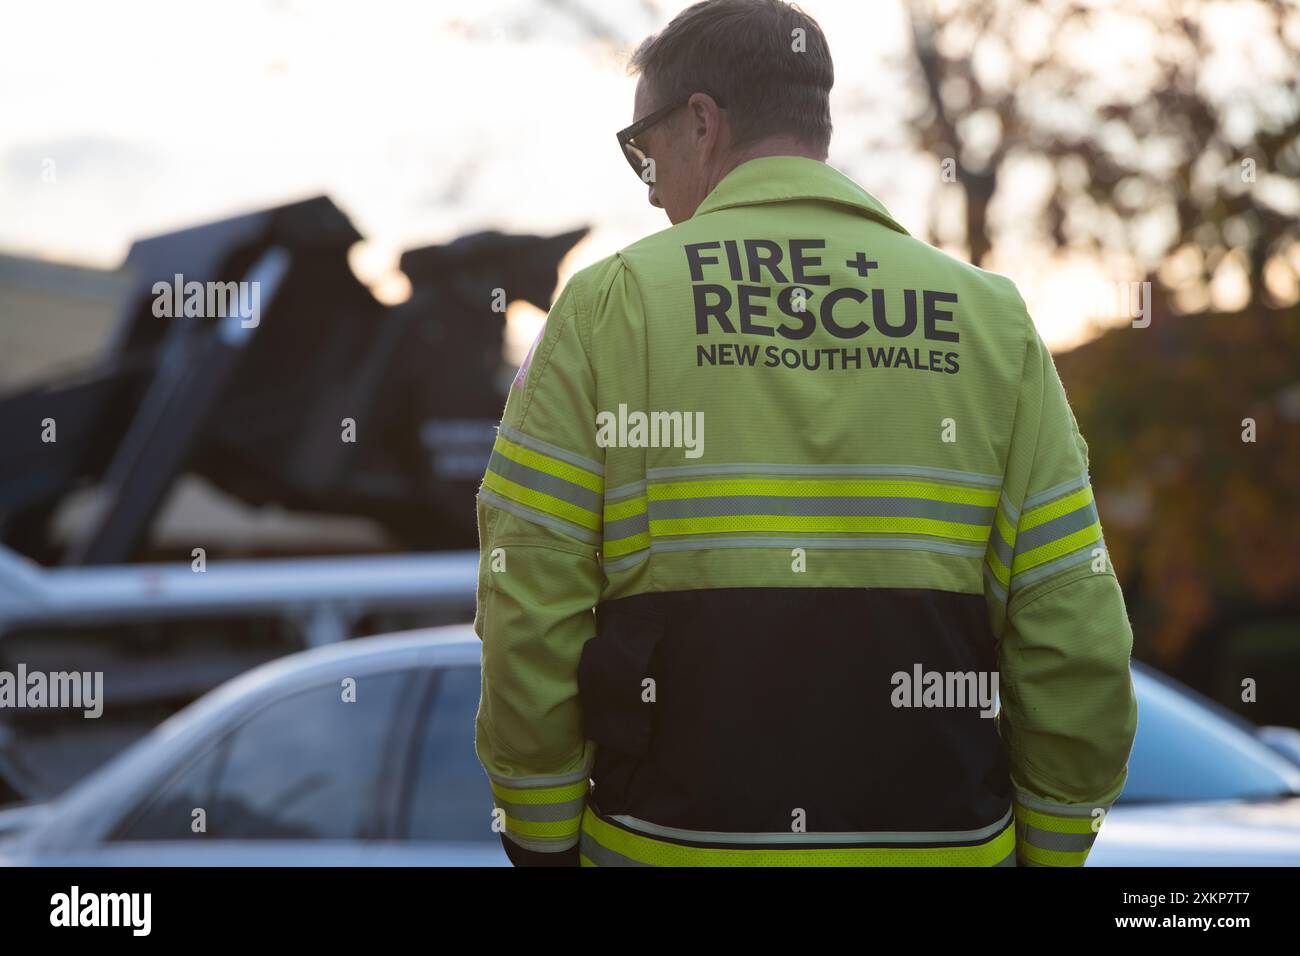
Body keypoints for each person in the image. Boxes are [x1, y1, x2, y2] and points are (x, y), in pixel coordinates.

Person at [473, 0, 1138, 867]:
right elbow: (1072, 618)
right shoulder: (992, 322)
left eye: (647, 151)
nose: (649, 184)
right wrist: (1052, 848)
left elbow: (530, 590)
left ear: (702, 123)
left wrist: (543, 834)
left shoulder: (611, 308)